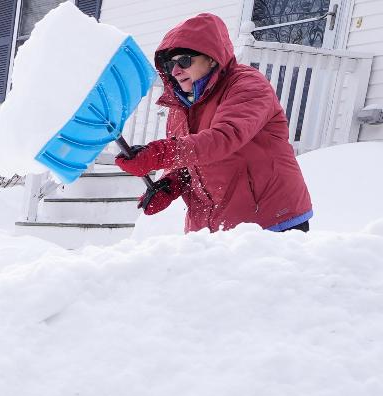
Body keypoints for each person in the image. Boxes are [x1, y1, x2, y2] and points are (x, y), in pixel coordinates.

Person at [115, 13, 313, 233]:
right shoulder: (181, 106)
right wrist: (172, 184)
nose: (175, 71)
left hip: (270, 221)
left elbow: (223, 139)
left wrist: (160, 154)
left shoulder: (247, 85)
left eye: (184, 60)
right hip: (215, 227)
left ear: (211, 57)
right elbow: (193, 159)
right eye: (170, 64)